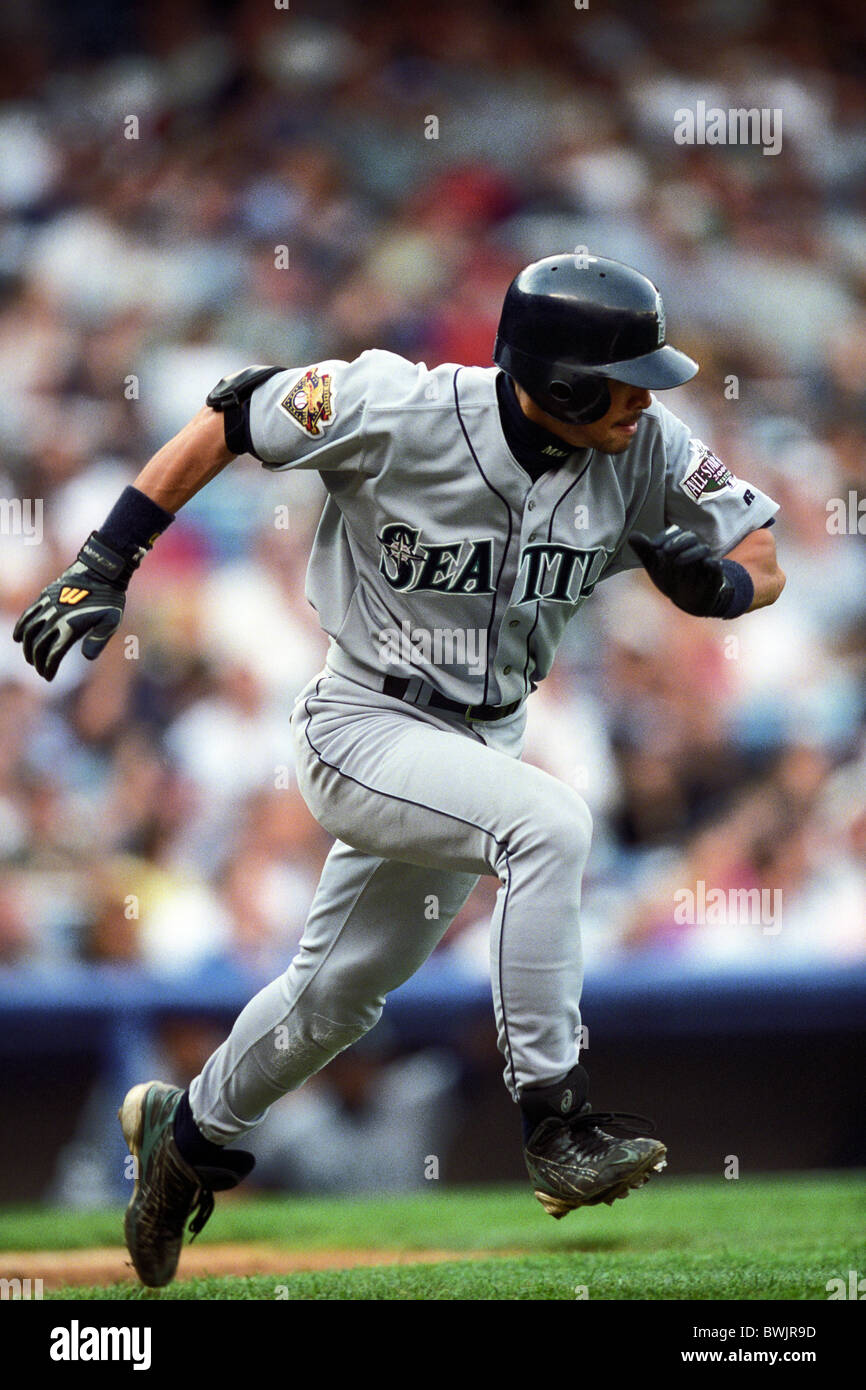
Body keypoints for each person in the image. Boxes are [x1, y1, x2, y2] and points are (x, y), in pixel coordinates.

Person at [14, 253, 785, 1287]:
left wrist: (725, 589)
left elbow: (759, 549)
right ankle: (556, 1121)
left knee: (336, 997)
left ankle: (184, 1140)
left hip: (482, 742)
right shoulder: (401, 407)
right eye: (624, 376)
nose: (646, 396)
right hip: (363, 723)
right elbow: (236, 415)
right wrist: (104, 563)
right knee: (547, 826)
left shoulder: (641, 447)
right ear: (556, 381)